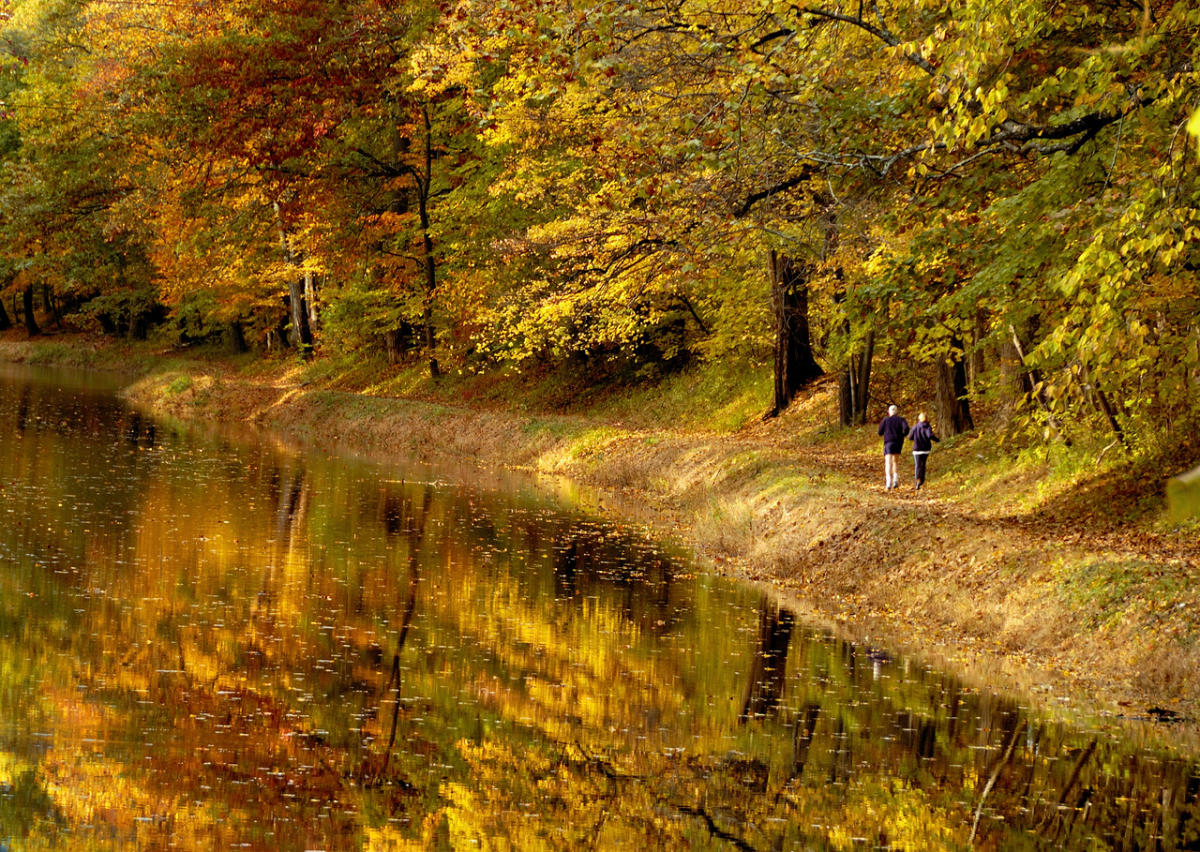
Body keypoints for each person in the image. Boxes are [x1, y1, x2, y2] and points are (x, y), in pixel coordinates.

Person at [877, 404, 909, 491]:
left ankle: (888, 482)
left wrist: (885, 432)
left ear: (889, 412)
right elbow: (906, 429)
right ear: (897, 412)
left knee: (888, 462)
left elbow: (879, 432)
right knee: (895, 461)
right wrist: (902, 435)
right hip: (898, 442)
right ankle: (895, 480)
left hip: (888, 442)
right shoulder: (901, 420)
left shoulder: (886, 420)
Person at [908, 412, 939, 490]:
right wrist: (937, 440)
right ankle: (922, 480)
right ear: (927, 419)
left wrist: (915, 438)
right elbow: (930, 435)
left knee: (917, 465)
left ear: (919, 419)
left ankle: (917, 480)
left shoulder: (915, 427)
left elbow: (910, 437)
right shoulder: (928, 427)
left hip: (916, 449)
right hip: (925, 449)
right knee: (923, 464)